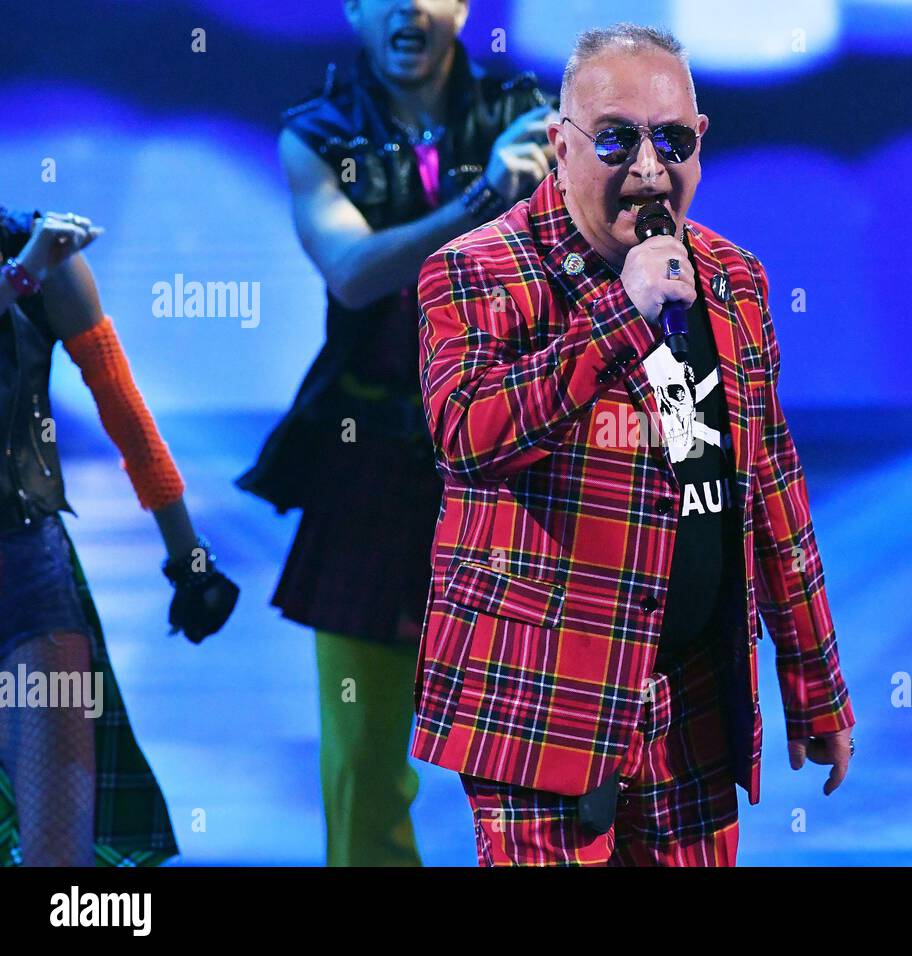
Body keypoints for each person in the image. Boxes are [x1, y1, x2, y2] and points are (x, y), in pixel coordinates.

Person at [414, 23, 854, 867]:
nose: (649, 167)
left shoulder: (732, 281)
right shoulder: (478, 273)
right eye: (616, 137)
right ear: (560, 144)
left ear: (701, 142)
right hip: (544, 695)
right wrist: (622, 314)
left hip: (689, 690)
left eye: (672, 139)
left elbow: (770, 488)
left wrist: (815, 684)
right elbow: (470, 437)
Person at [235, 0, 558, 866]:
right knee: (365, 760)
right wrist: (485, 195)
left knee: (537, 751)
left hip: (509, 463)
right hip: (368, 461)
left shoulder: (533, 117)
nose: (408, 3)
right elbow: (351, 275)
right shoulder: (317, 133)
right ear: (353, 7)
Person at [0, 209, 238, 866]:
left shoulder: (40, 249)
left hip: (24, 572)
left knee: (59, 860)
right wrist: (22, 275)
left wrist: (191, 561)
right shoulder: (34, 258)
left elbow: (127, 416)